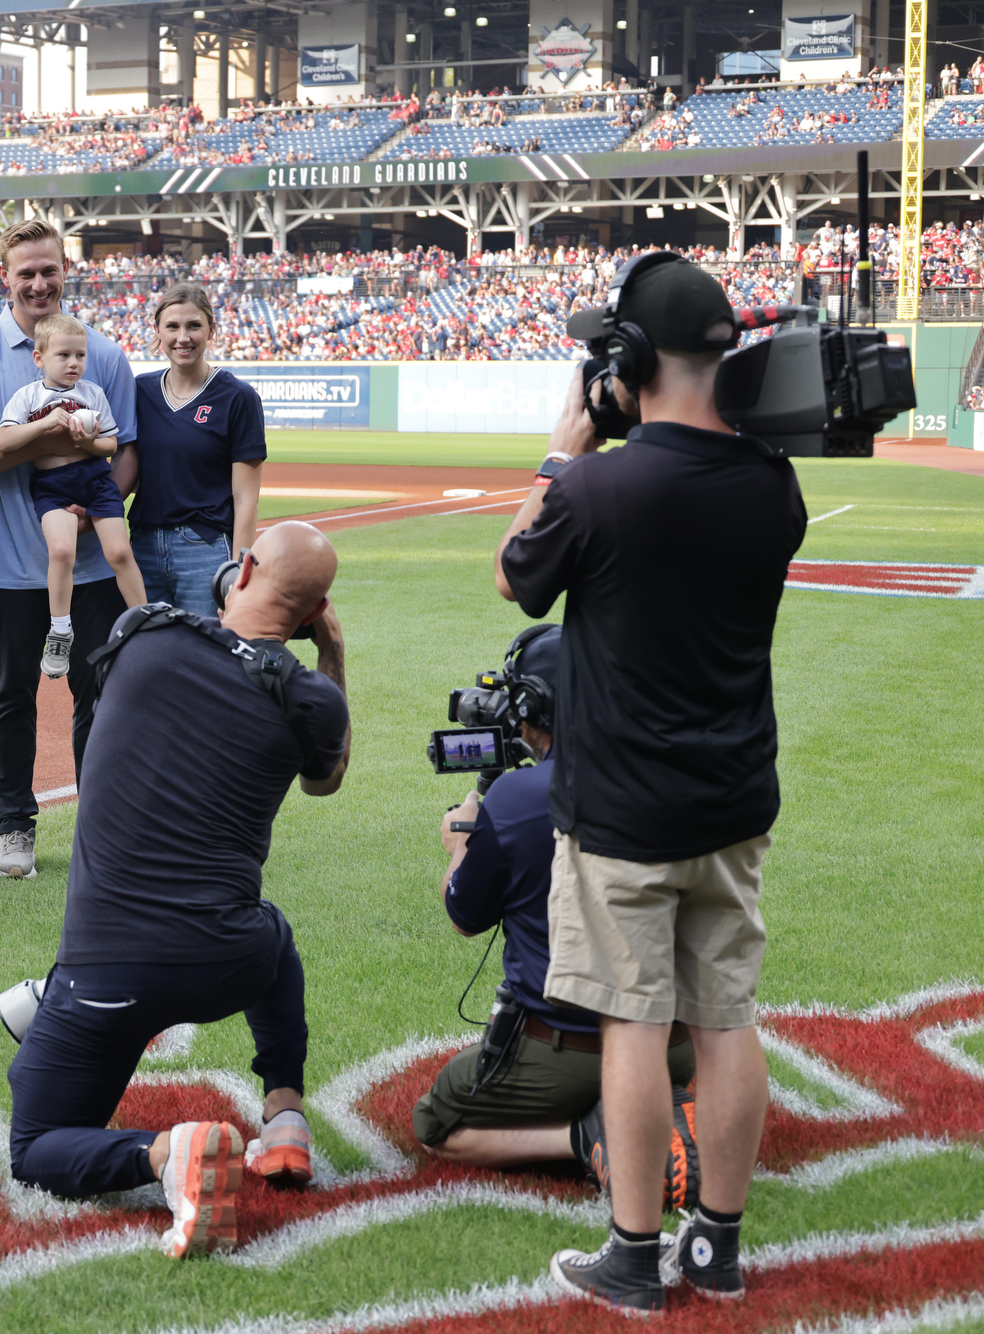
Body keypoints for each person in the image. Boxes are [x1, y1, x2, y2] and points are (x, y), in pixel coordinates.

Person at [494, 253, 806, 1313]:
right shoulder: (773, 484)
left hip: (621, 809)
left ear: (627, 360)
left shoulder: (595, 484)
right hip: (731, 800)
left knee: (631, 1024)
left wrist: (559, 448)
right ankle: (714, 1246)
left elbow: (513, 573)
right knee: (723, 1018)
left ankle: (631, 1254)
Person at [6, 522, 350, 1257]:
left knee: (35, 1146)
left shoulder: (145, 636)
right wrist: (332, 655)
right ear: (317, 609)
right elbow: (326, 779)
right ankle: (284, 1112)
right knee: (271, 928)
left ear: (246, 569)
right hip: (229, 961)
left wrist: (231, 595)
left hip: (107, 973)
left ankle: (166, 1156)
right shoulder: (311, 699)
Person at [414, 625, 698, 1184]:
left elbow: (463, 916)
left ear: (533, 706)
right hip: (678, 1042)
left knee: (437, 1123)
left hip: (573, 1053)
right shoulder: (673, 775)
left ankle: (585, 1134)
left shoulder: (517, 798)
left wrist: (460, 844)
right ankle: (667, 1105)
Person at [0, 219, 140, 879]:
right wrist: (50, 433)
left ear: (66, 271)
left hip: (88, 564)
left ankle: (102, 827)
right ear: (4, 277)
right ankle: (14, 831)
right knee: (10, 698)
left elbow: (127, 451)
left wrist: (91, 505)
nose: (37, 283)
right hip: (7, 563)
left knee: (100, 697)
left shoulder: (103, 354)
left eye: (48, 270)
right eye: (25, 272)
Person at [0, 313, 146, 678]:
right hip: (53, 484)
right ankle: (60, 629)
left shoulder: (93, 393)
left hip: (96, 480)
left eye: (80, 355)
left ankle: (144, 623)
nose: (73, 363)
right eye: (63, 355)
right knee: (61, 551)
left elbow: (111, 443)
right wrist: (44, 424)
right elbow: (3, 440)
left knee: (120, 552)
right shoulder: (27, 396)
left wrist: (89, 442)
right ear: (39, 358)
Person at [114, 284, 266, 616]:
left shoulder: (238, 397)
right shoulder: (140, 391)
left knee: (204, 658)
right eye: (172, 326)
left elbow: (246, 499)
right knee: (149, 654)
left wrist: (238, 574)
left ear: (212, 329)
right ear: (157, 331)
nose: (183, 336)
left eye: (194, 326)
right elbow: (128, 467)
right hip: (143, 546)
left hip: (205, 550)